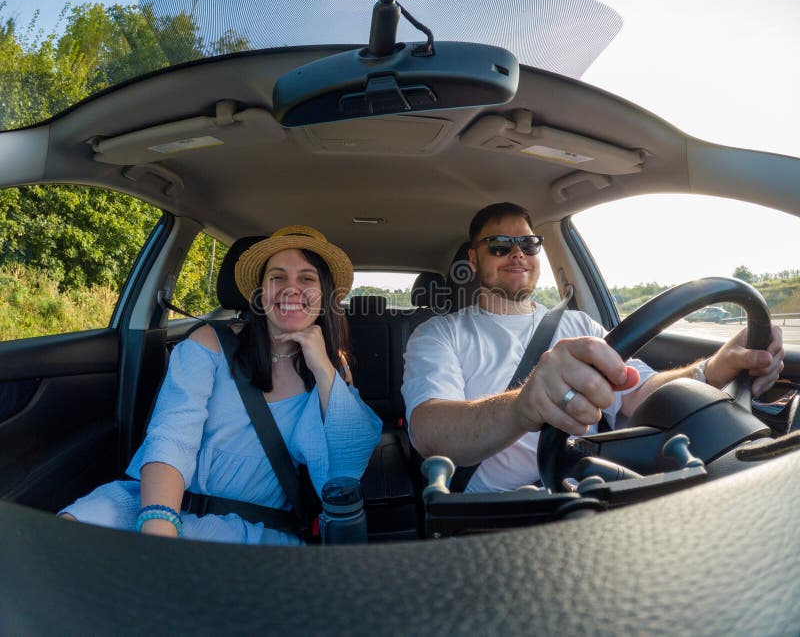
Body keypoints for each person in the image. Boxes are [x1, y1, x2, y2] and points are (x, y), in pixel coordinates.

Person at [402, 203, 785, 493]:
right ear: (473, 258)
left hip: (599, 488)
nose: (517, 254)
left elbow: (637, 393)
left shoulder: (580, 324)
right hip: (500, 513)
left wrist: (715, 369)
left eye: (528, 244)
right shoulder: (439, 334)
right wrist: (525, 406)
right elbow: (430, 432)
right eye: (500, 245)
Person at [60, 225, 382, 544]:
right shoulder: (209, 343)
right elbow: (172, 437)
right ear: (260, 292)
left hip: (256, 528)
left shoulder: (331, 369)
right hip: (161, 503)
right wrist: (159, 524)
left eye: (307, 278)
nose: (291, 288)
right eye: (277, 277)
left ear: (324, 293)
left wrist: (323, 368)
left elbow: (344, 470)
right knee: (69, 533)